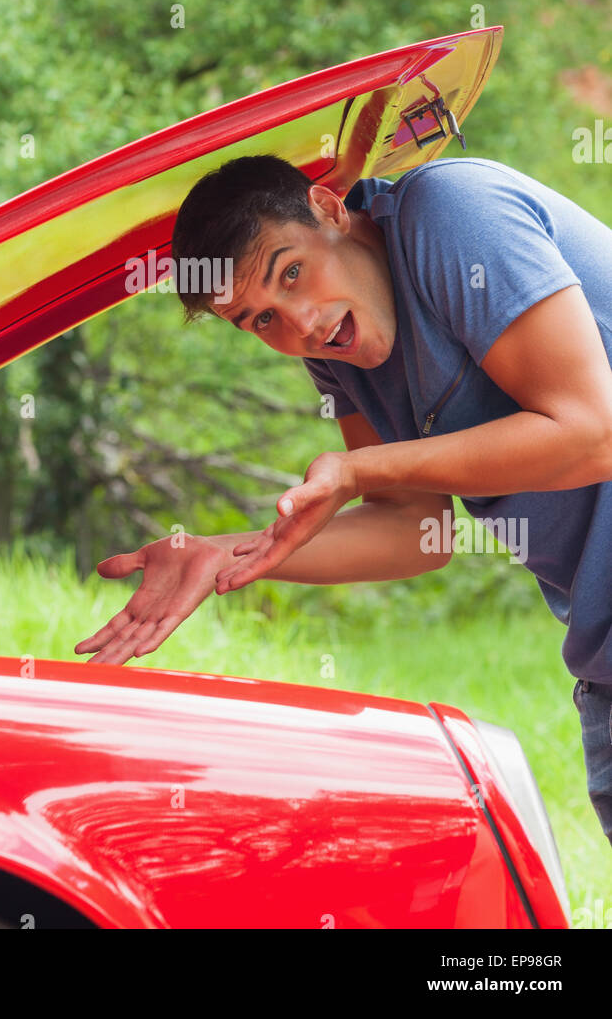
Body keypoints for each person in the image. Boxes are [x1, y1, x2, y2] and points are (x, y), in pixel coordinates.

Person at [74, 153, 612, 845]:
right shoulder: (334, 351)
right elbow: (414, 530)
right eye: (260, 319)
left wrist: (361, 471)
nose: (298, 324)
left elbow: (593, 430)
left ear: (329, 209)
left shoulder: (453, 213)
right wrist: (228, 554)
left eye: (291, 272)